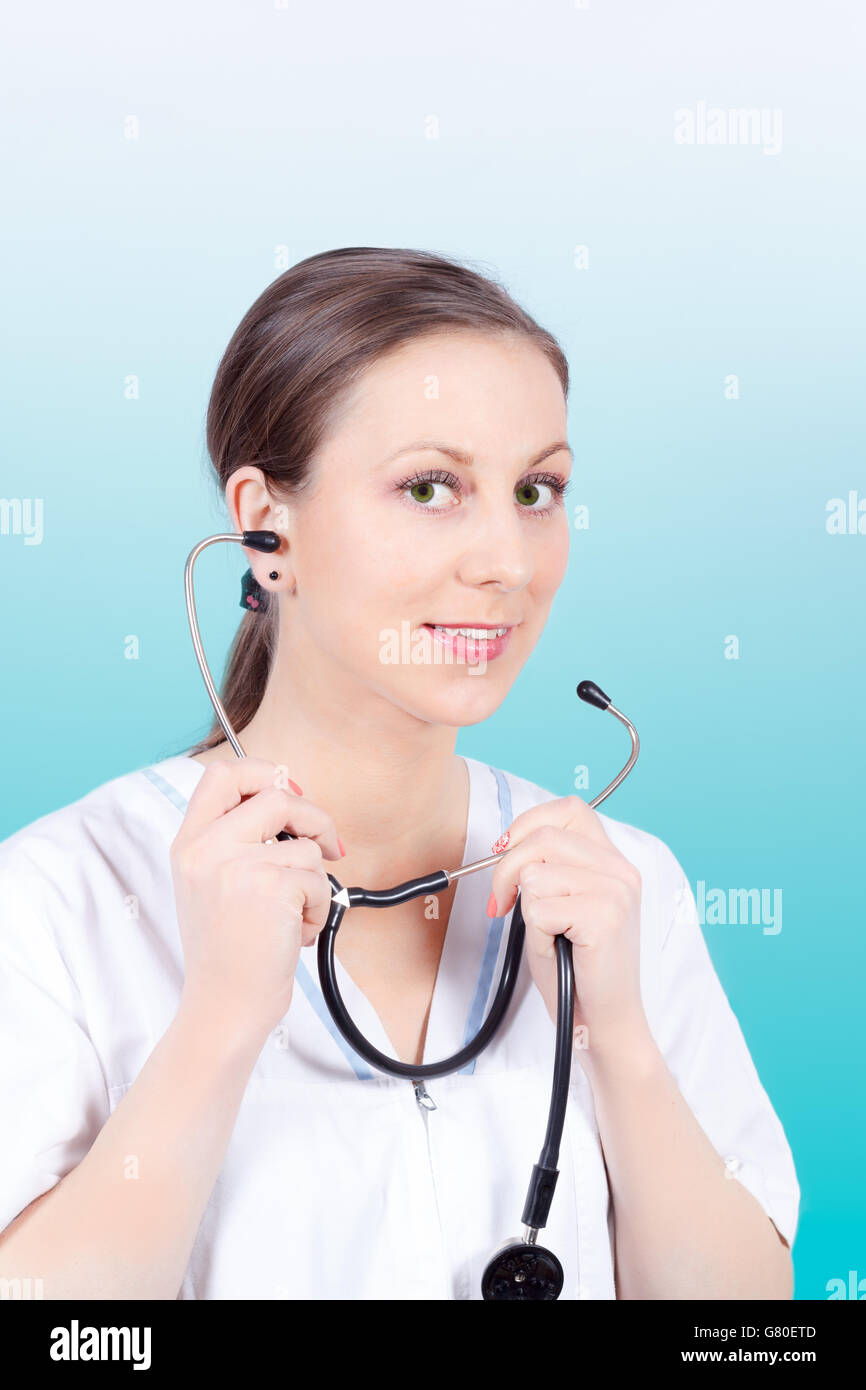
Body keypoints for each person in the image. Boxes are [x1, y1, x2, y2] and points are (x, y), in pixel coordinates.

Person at [0, 247, 798, 1300]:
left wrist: (623, 1044)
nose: (506, 561)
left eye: (536, 490)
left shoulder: (616, 890)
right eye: (430, 487)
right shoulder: (59, 896)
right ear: (264, 524)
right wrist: (222, 1018)